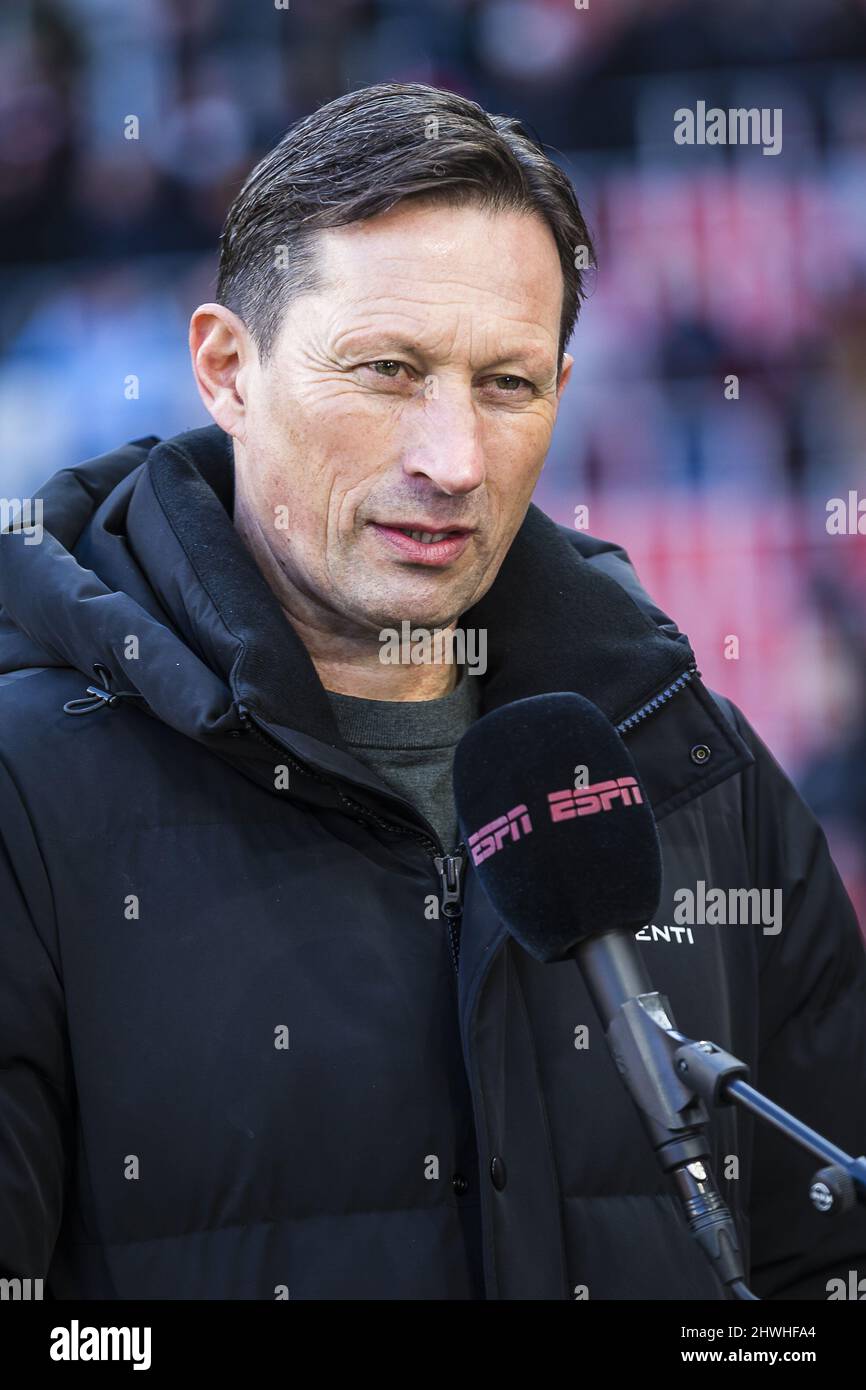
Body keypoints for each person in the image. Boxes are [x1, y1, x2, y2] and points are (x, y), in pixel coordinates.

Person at [1, 81, 864, 1301]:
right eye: (389, 369)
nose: (451, 460)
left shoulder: (695, 768)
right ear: (225, 370)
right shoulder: (26, 792)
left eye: (506, 385)